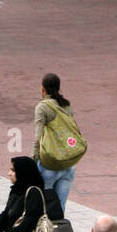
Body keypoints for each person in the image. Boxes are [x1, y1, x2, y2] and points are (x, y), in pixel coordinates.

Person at [33, 72, 81, 213]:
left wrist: (34, 160)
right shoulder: (67, 105)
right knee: (60, 209)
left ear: (43, 89)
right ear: (59, 89)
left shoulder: (42, 107)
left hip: (49, 164)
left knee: (43, 209)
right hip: (68, 164)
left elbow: (38, 137)